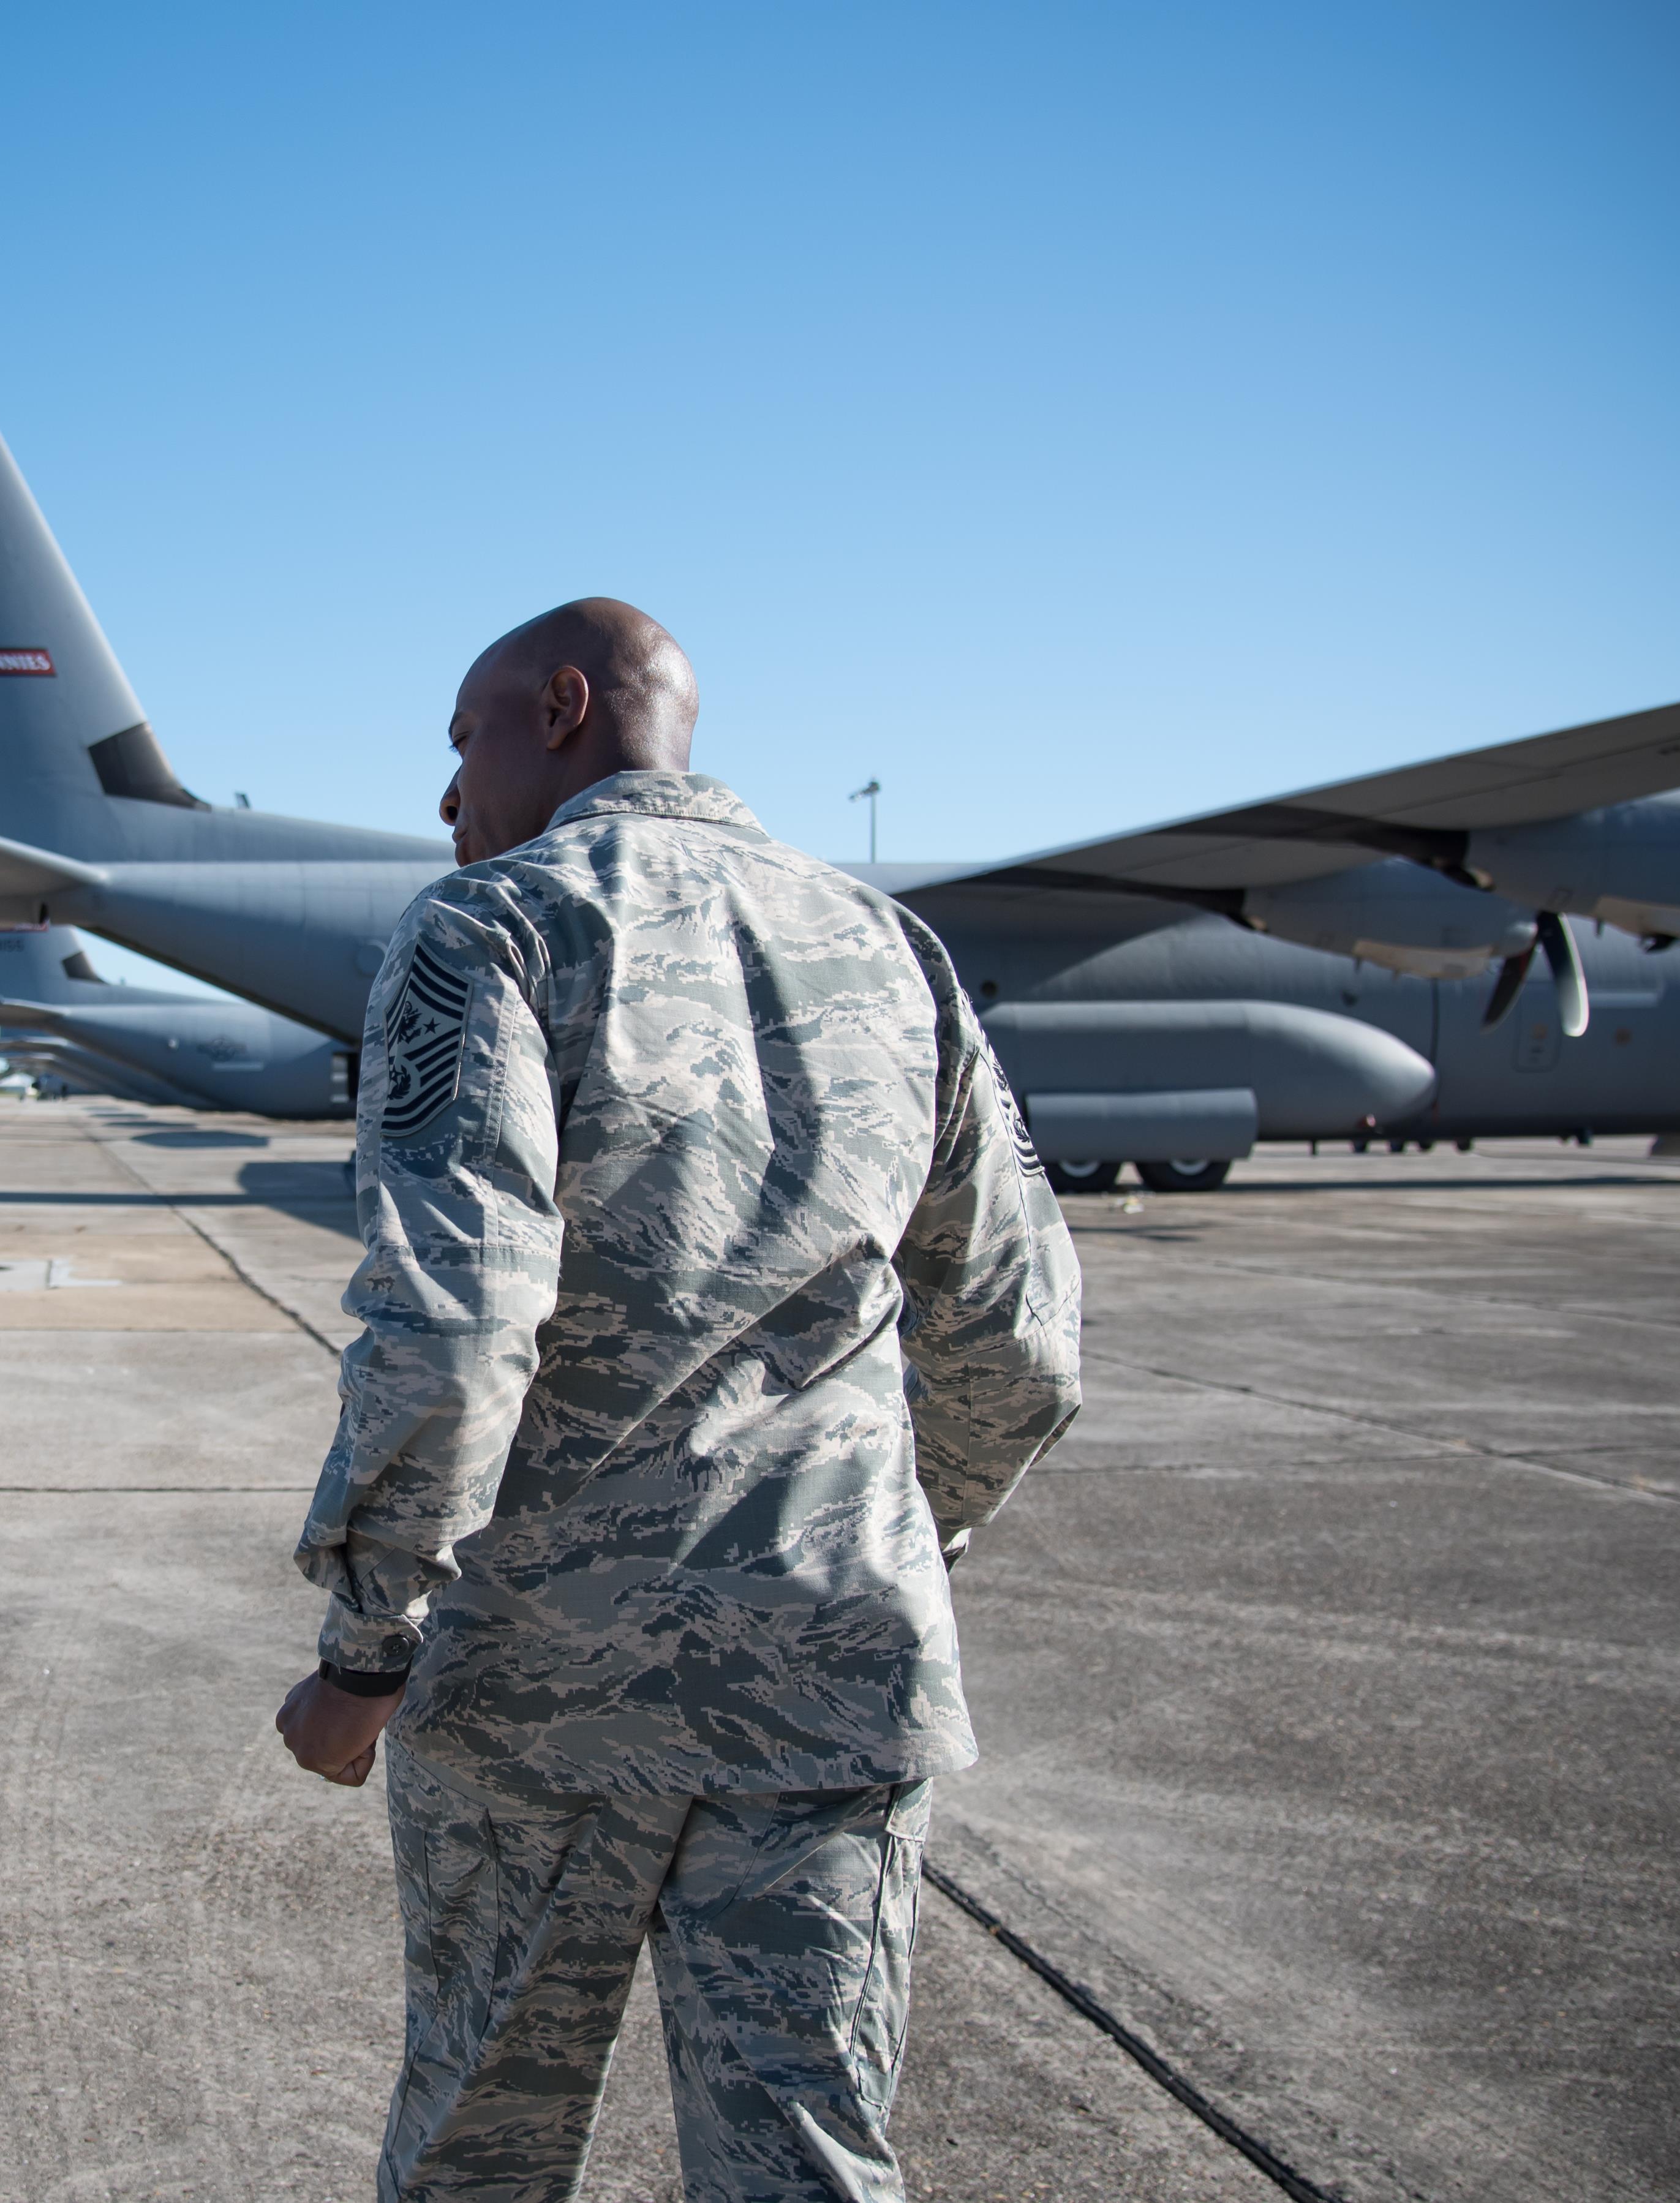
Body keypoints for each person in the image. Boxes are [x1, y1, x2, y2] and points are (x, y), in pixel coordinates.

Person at [275, 601, 1083, 2201]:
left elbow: (450, 1327)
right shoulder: (892, 947)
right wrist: (889, 1533)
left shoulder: (487, 928)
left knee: (476, 2151)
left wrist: (365, 1645)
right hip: (834, 1674)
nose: (447, 798)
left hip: (539, 1694)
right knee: (806, 2157)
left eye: (462, 740)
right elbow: (1017, 1330)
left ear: (564, 705)